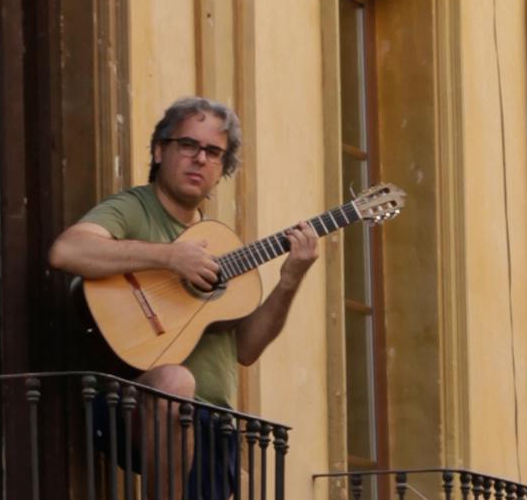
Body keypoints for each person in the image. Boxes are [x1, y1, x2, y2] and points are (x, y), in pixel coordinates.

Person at [47, 97, 322, 413]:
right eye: (189, 145)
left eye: (214, 152)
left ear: (222, 171)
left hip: (216, 420)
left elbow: (246, 350)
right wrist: (170, 258)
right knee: (176, 382)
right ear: (160, 151)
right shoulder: (134, 208)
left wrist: (290, 280)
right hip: (144, 409)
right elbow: (66, 251)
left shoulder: (220, 242)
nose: (201, 159)